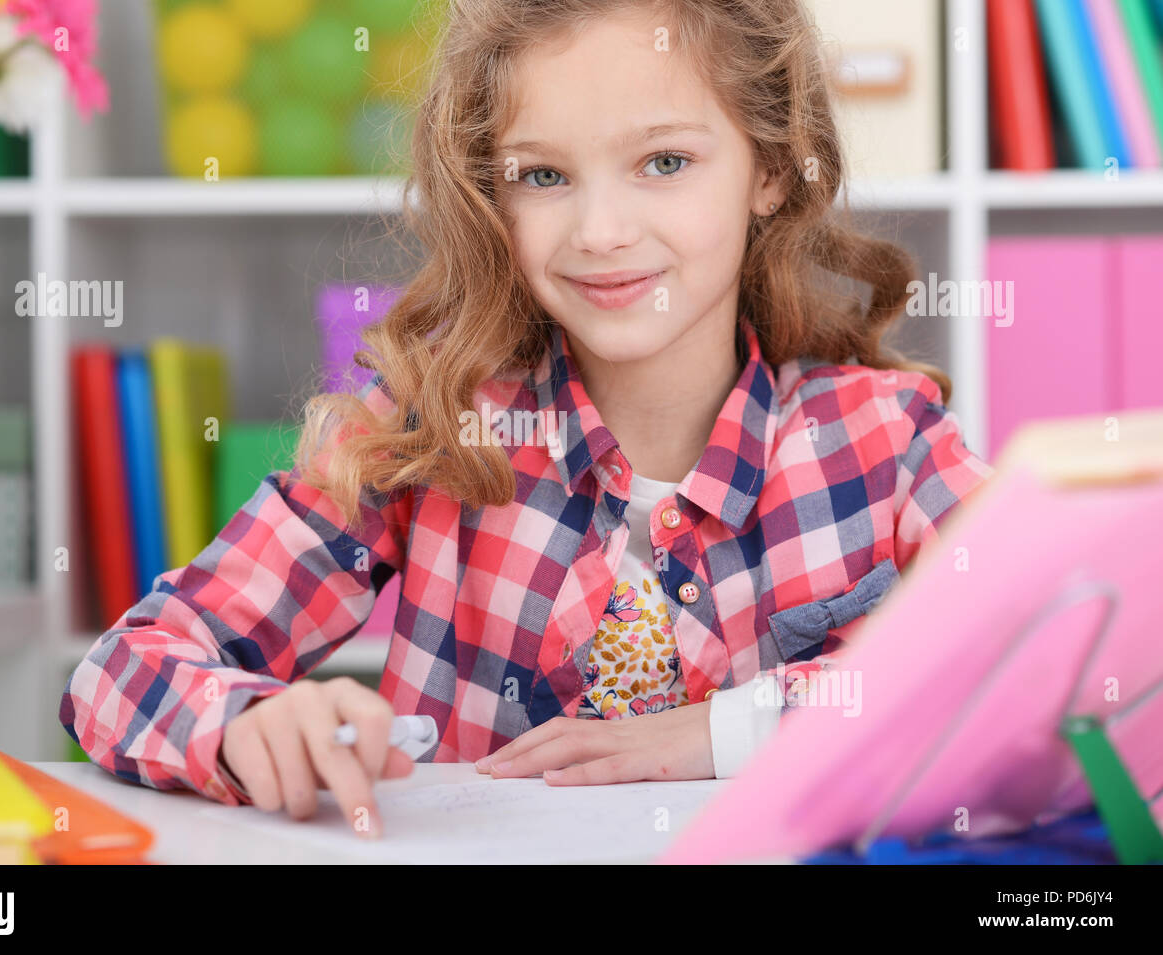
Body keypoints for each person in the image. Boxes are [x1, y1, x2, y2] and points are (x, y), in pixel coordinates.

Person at [61, 0, 993, 839]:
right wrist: (244, 723)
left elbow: (1056, 669)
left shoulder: (885, 438)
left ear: (773, 171)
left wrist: (731, 729)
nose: (599, 230)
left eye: (664, 162)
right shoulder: (426, 426)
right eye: (542, 176)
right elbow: (120, 669)